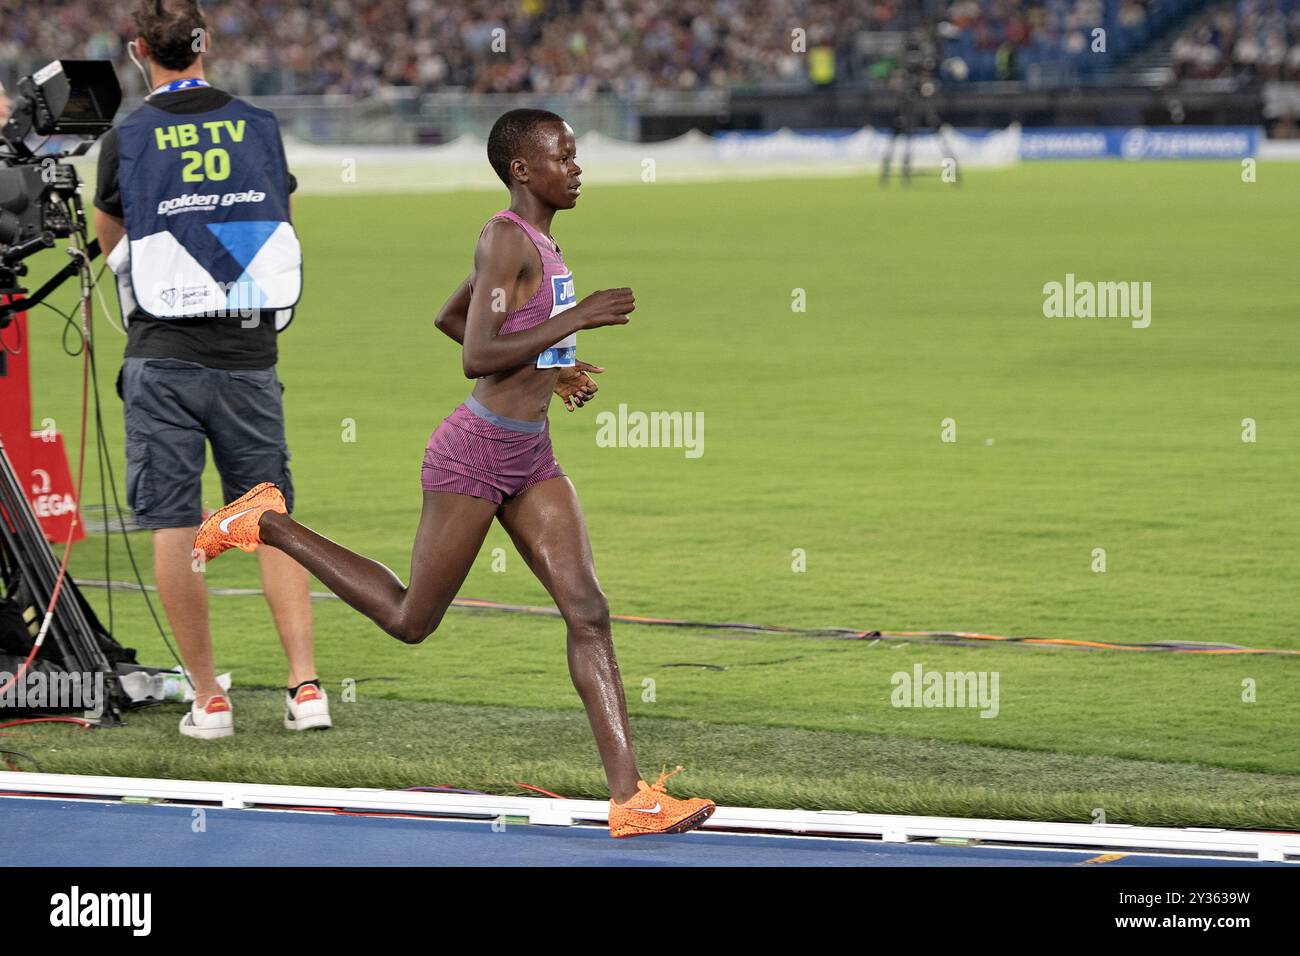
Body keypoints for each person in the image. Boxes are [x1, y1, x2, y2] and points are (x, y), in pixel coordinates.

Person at [196, 109, 715, 838]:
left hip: (530, 454)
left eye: (576, 155)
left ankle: (630, 798)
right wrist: (576, 320)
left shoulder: (537, 242)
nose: (577, 167)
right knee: (411, 620)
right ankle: (265, 521)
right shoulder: (504, 237)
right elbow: (474, 353)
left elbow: (452, 317)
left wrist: (554, 373)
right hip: (475, 452)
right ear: (522, 170)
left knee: (587, 609)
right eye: (563, 156)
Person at [92, 0, 329, 739]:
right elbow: (280, 218)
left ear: (140, 50)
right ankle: (307, 688)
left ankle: (209, 700)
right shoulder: (259, 124)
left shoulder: (127, 135)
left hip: (163, 352)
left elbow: (109, 241)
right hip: (249, 349)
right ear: (204, 45)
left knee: (172, 519)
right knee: (268, 513)